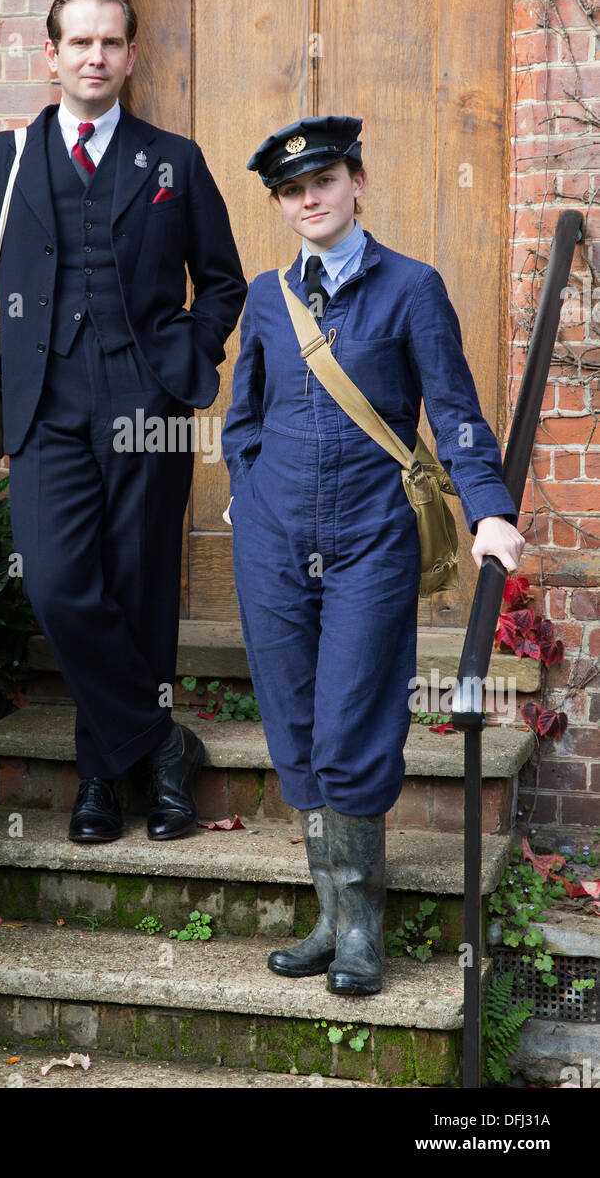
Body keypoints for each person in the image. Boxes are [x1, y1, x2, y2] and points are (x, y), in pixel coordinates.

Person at [0, 0, 247, 845]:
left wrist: (191, 355)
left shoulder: (173, 160)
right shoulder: (0, 160)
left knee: (139, 591)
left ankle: (103, 783)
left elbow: (223, 279)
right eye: (79, 43)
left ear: (131, 57)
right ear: (51, 56)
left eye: (111, 43)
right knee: (60, 585)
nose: (95, 58)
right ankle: (161, 746)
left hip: (150, 405)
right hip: (44, 403)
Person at [221, 115, 524, 995]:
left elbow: (455, 410)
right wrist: (249, 484)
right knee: (293, 725)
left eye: (322, 181)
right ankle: (326, 917)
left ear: (357, 183)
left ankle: (362, 930)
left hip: (370, 539)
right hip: (274, 541)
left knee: (354, 721)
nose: (307, 199)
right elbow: (243, 415)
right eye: (289, 190)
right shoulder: (269, 296)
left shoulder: (412, 288)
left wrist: (488, 509)